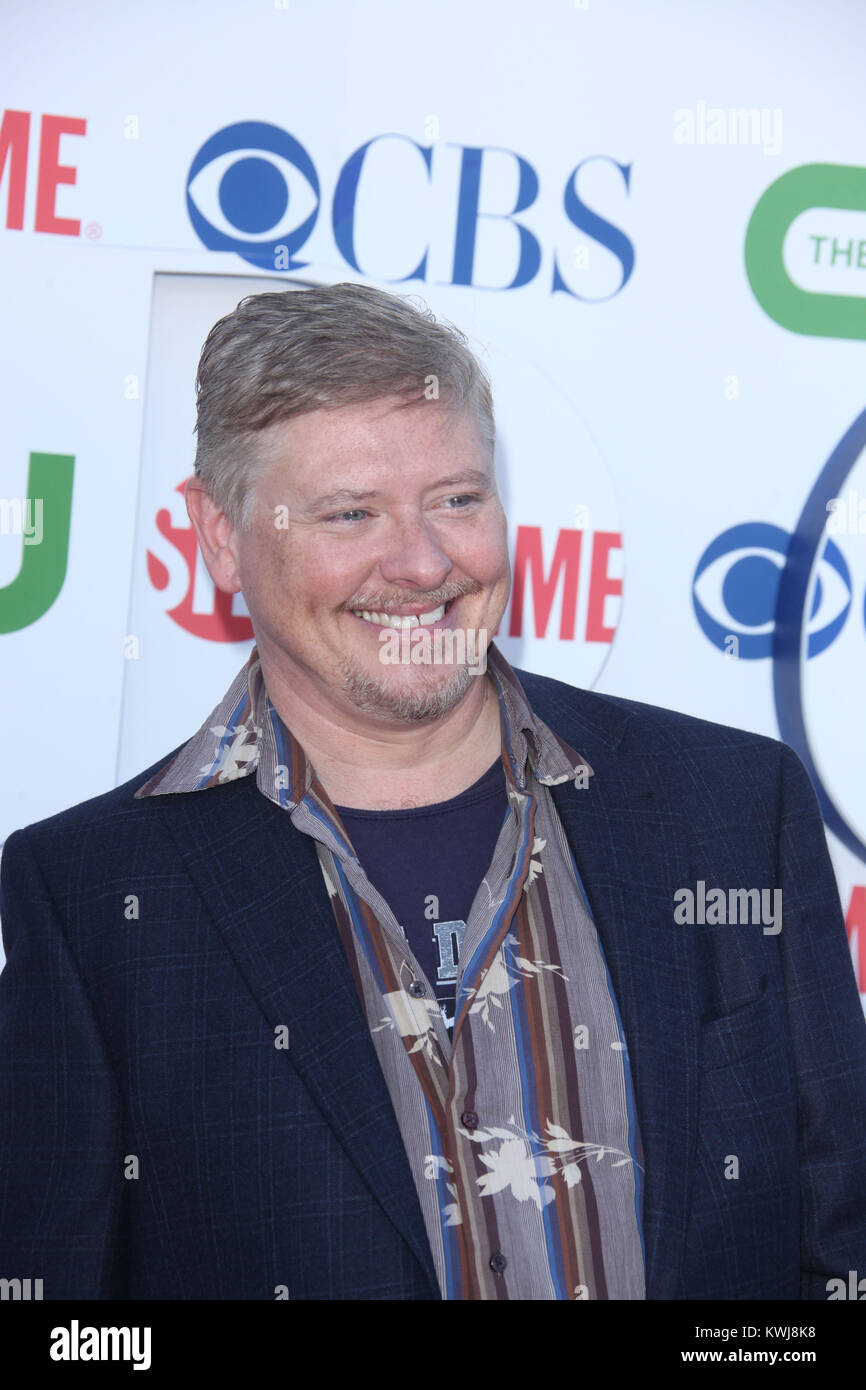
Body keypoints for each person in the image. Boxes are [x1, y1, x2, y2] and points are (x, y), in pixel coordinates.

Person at [1, 283, 864, 1301]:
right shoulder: (92, 896)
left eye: (456, 498)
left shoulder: (729, 808)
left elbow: (836, 1247)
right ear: (221, 536)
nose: (419, 562)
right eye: (349, 511)